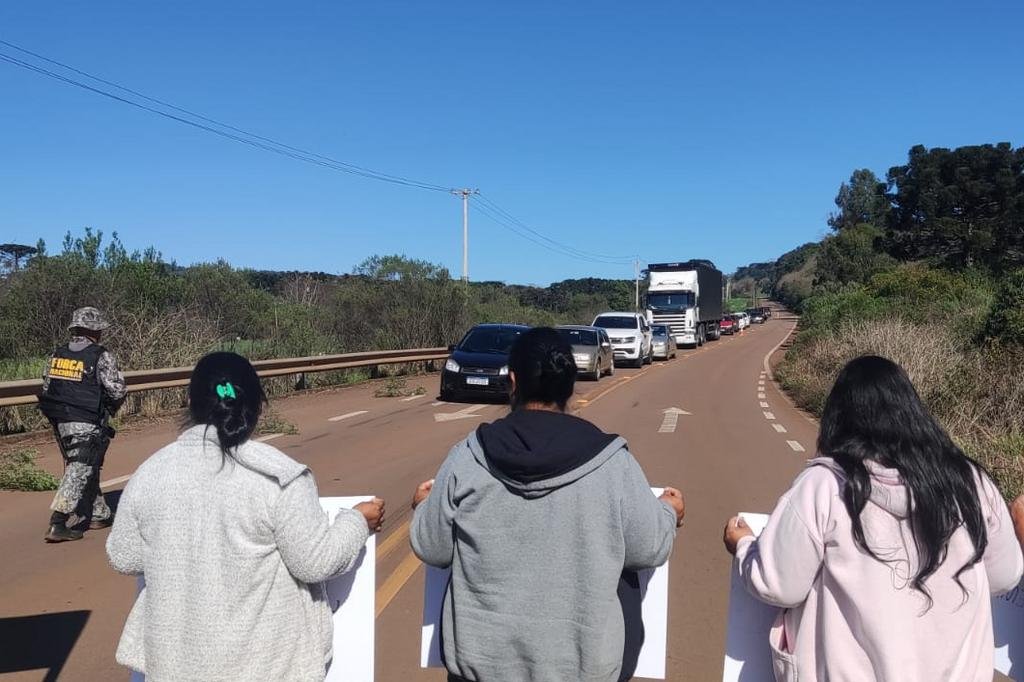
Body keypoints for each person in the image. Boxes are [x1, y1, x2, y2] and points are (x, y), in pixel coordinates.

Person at [723, 355, 1023, 682]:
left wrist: (745, 546)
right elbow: (1005, 575)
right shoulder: (971, 484)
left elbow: (780, 584)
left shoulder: (826, 485)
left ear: (837, 420)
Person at [410, 327, 685, 682]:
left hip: (481, 668)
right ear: (570, 387)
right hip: (582, 670)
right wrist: (667, 510)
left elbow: (432, 547)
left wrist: (424, 506)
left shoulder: (468, 456)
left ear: (512, 381)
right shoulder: (613, 462)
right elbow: (648, 549)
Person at [106, 351, 385, 681]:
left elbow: (124, 556)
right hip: (266, 667)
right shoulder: (279, 476)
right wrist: (355, 522)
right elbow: (314, 562)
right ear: (256, 407)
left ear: (191, 403)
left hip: (174, 667)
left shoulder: (150, 473)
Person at [39, 306, 127, 543]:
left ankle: (99, 512)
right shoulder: (101, 355)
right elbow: (117, 389)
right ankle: (58, 521)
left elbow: (46, 387)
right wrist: (109, 408)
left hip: (59, 421)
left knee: (87, 464)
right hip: (86, 420)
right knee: (80, 467)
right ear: (94, 331)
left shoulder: (56, 355)